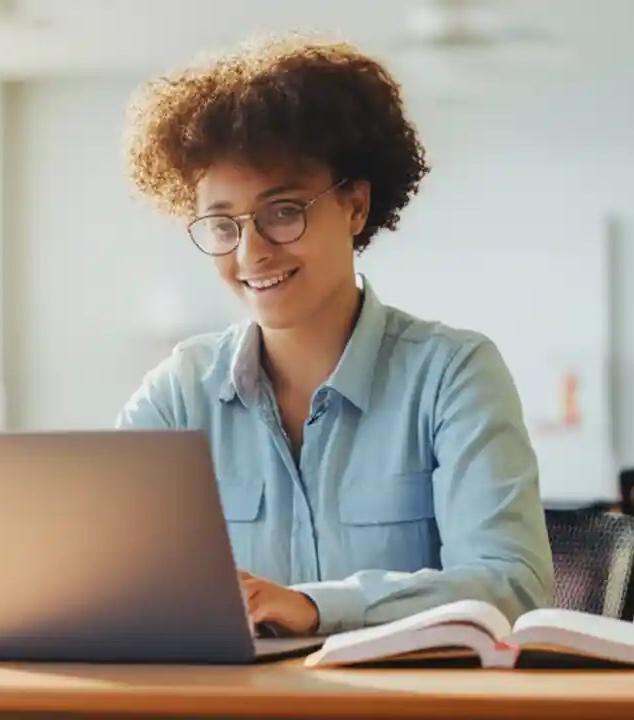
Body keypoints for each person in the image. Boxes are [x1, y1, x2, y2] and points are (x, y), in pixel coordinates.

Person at [115, 34, 553, 637]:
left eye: (283, 212)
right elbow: (105, 571)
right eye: (222, 224)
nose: (251, 252)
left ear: (354, 207)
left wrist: (316, 606)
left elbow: (511, 587)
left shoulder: (453, 374)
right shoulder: (179, 395)